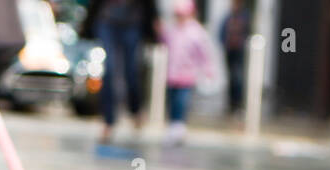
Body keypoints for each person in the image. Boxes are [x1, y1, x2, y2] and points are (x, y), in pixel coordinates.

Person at [83, 0, 158, 143]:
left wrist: (154, 19)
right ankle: (108, 121)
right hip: (107, 20)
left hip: (132, 22)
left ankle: (135, 109)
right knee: (109, 70)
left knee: (131, 71)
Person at [160, 0, 217, 145]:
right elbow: (165, 42)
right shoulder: (173, 30)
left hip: (186, 74)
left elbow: (203, 53)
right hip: (172, 73)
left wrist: (208, 69)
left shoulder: (196, 32)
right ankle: (173, 125)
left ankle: (179, 127)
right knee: (172, 101)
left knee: (181, 101)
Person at [220, 0, 251, 115]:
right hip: (230, 51)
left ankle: (238, 104)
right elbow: (222, 32)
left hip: (239, 52)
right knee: (231, 78)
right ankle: (231, 104)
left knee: (238, 78)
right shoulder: (228, 17)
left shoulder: (245, 17)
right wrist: (225, 44)